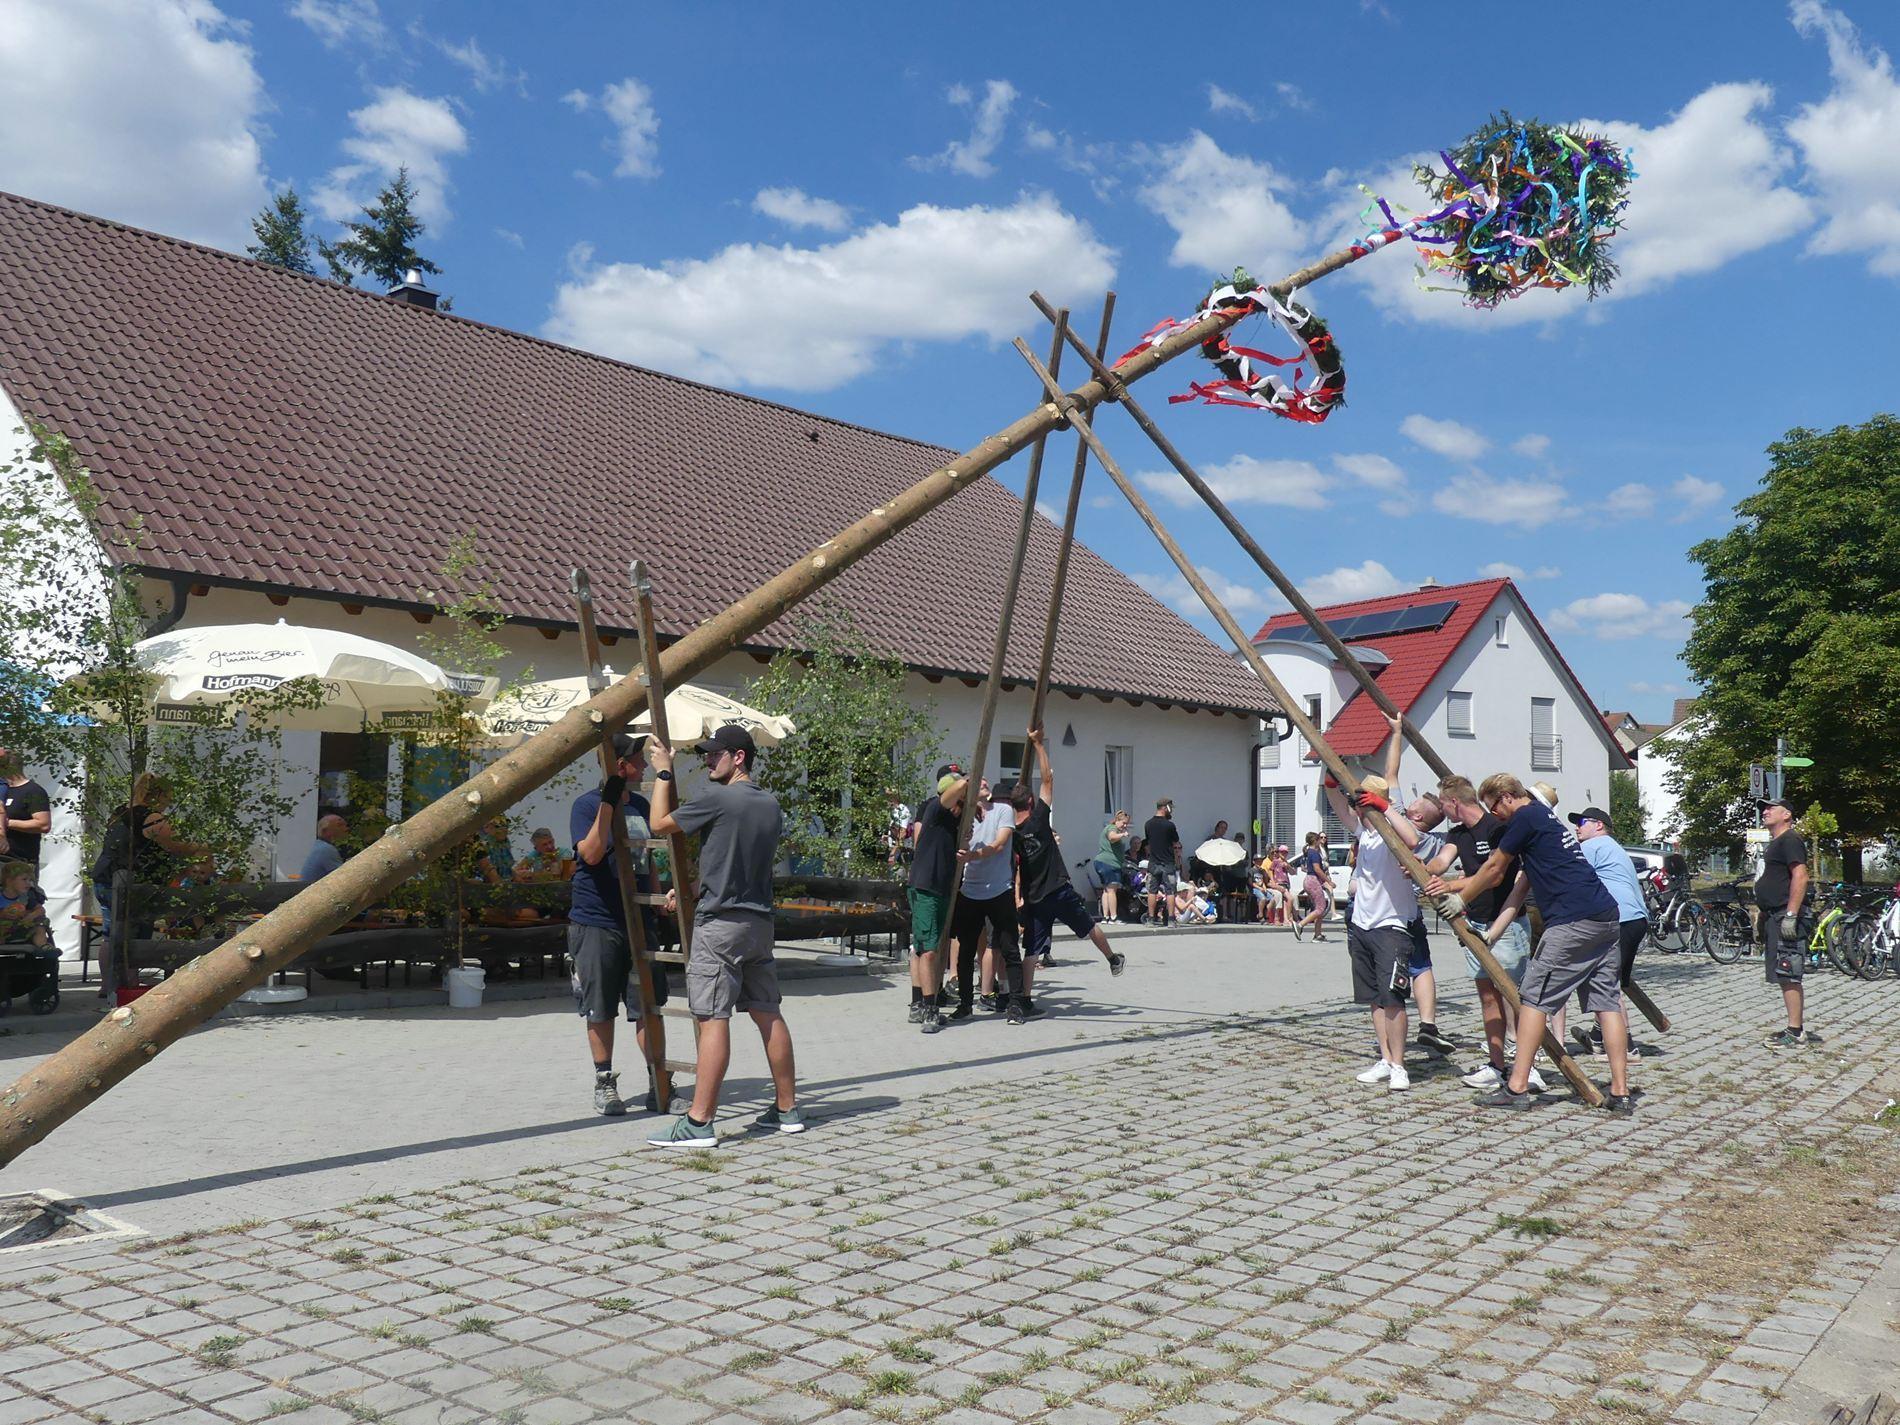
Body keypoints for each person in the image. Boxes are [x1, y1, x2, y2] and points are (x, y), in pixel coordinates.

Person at [1427, 773, 1632, 1115]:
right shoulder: (1546, 829)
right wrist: (1491, 935)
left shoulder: (1525, 817)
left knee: (1534, 999)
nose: (1494, 815)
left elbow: (1494, 870)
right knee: (1607, 1003)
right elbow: (1518, 890)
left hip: (1572, 921)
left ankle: (1517, 1086)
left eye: (1494, 807)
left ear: (1507, 797)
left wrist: (1462, 900)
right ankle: (1621, 1092)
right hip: (1606, 918)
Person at [647, 724, 801, 1146]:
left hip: (721, 927)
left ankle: (698, 1123)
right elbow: (736, 861)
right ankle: (788, 1110)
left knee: (712, 1018)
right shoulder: (769, 805)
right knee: (768, 1012)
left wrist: (663, 773)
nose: (708, 761)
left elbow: (659, 824)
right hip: (759, 923)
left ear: (739, 758)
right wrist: (697, 886)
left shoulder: (718, 798)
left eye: (716, 755)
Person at [567, 734, 669, 1117]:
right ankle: (605, 1081)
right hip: (597, 920)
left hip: (639, 916)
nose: (641, 766)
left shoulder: (642, 805)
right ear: (617, 766)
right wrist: (608, 804)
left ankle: (658, 1080)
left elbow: (651, 857)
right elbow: (591, 854)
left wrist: (659, 898)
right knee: (600, 1006)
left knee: (648, 1005)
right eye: (636, 760)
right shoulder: (586, 805)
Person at [1324, 765, 1441, 1093]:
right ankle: (1386, 1059)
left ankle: (1400, 1065)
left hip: (1392, 925)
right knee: (1375, 998)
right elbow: (1335, 803)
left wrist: (1384, 807)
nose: (1357, 809)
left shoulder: (1392, 830)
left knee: (1393, 998)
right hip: (1361, 923)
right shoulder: (1364, 832)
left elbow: (1413, 838)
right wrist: (1329, 777)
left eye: (1362, 803)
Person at [1432, 776, 1541, 1093]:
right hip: (1474, 924)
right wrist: (1421, 869)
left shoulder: (1497, 827)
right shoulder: (1457, 834)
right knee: (1488, 999)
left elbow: (1494, 875)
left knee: (1516, 998)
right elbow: (1442, 860)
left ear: (1454, 802)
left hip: (1505, 925)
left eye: (1443, 804)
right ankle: (1496, 1064)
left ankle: (1528, 1066)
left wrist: (1452, 886)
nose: (1442, 810)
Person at [1012, 727, 1125, 1010]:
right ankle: (1112, 959)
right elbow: (1048, 779)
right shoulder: (1039, 819)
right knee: (1088, 926)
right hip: (1058, 890)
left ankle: (1024, 999)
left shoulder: (1011, 833)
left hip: (1035, 897)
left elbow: (1014, 868)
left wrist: (1018, 896)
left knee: (1032, 950)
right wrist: (1038, 744)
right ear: (1029, 802)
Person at [90, 773, 204, 966]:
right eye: (168, 796)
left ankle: (108, 985)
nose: (169, 802)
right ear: (159, 795)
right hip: (132, 883)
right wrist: (200, 848)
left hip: (105, 876)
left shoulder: (120, 812)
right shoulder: (151, 817)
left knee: (111, 935)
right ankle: (130, 981)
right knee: (135, 936)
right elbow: (175, 846)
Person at [1568, 806, 1651, 1059]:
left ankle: (1627, 1048)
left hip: (1620, 920)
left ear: (1599, 825)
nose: (1577, 827)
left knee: (1607, 985)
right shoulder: (1613, 847)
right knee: (1606, 980)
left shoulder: (1592, 846)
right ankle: (1597, 1036)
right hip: (1635, 919)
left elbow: (1568, 875)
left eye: (1582, 822)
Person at [951, 776, 1029, 1022]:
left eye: (985, 781)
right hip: (971, 891)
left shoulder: (1003, 810)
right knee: (966, 951)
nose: (984, 782)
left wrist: (971, 855)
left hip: (999, 890)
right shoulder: (964, 818)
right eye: (978, 782)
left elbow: (999, 844)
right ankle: (965, 1004)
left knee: (1009, 948)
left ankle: (1015, 1004)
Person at [906, 765, 967, 1032]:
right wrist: (968, 781)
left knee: (924, 946)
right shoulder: (934, 808)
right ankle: (930, 1010)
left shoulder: (952, 821)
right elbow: (960, 787)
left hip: (938, 888)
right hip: (926, 887)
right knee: (929, 949)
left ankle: (919, 1004)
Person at [1756, 799, 1810, 1049]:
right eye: (1763, 809)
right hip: (1773, 914)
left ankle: (1796, 1031)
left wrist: (1791, 914)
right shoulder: (1776, 843)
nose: (1764, 811)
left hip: (1784, 915)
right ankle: (1792, 1026)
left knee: (1789, 971)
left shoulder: (1790, 840)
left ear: (1786, 814)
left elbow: (1800, 875)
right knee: (1782, 973)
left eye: (1770, 808)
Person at [0, 751, 52, 870]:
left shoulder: (34, 791)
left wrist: (6, 823)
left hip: (20, 862)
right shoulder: (2, 790)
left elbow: (43, 824)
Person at [1143, 797, 1181, 924]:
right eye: (1170, 808)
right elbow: (1176, 841)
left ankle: (1151, 918)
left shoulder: (1148, 824)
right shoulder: (1169, 825)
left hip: (1153, 863)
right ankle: (1171, 919)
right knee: (1170, 891)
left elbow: (1149, 841)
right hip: (1168, 863)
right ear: (1165, 808)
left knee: (1152, 891)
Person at [0, 861, 51, 947]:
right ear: (9, 881)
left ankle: (43, 945)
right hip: (3, 929)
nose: (28, 883)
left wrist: (31, 916)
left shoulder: (26, 897)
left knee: (41, 922)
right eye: (24, 879)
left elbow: (41, 910)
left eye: (30, 880)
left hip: (22, 927)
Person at [1093, 810, 1132, 922]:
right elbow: (1112, 837)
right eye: (1123, 823)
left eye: (1127, 824)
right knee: (1112, 890)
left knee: (1106, 890)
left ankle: (1106, 917)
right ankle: (1114, 917)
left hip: (1101, 862)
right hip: (1109, 863)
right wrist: (1123, 834)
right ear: (1117, 820)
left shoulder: (1111, 827)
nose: (1125, 826)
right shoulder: (1112, 828)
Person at [1293, 832, 1330, 941]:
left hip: (1310, 881)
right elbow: (1317, 869)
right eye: (1319, 839)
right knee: (1320, 908)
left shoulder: (1310, 852)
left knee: (1319, 907)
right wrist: (1328, 881)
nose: (1321, 841)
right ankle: (1300, 925)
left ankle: (1317, 935)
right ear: (1315, 841)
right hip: (1313, 881)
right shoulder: (1314, 853)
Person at [300, 814, 349, 882]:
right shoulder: (326, 850)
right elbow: (343, 877)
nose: (346, 829)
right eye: (339, 825)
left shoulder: (319, 846)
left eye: (345, 825)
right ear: (325, 831)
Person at [472, 817, 514, 884]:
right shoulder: (481, 842)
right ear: (487, 827)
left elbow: (507, 865)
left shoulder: (505, 843)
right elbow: (486, 866)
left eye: (506, 826)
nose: (504, 829)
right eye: (498, 826)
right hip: (486, 883)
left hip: (504, 882)